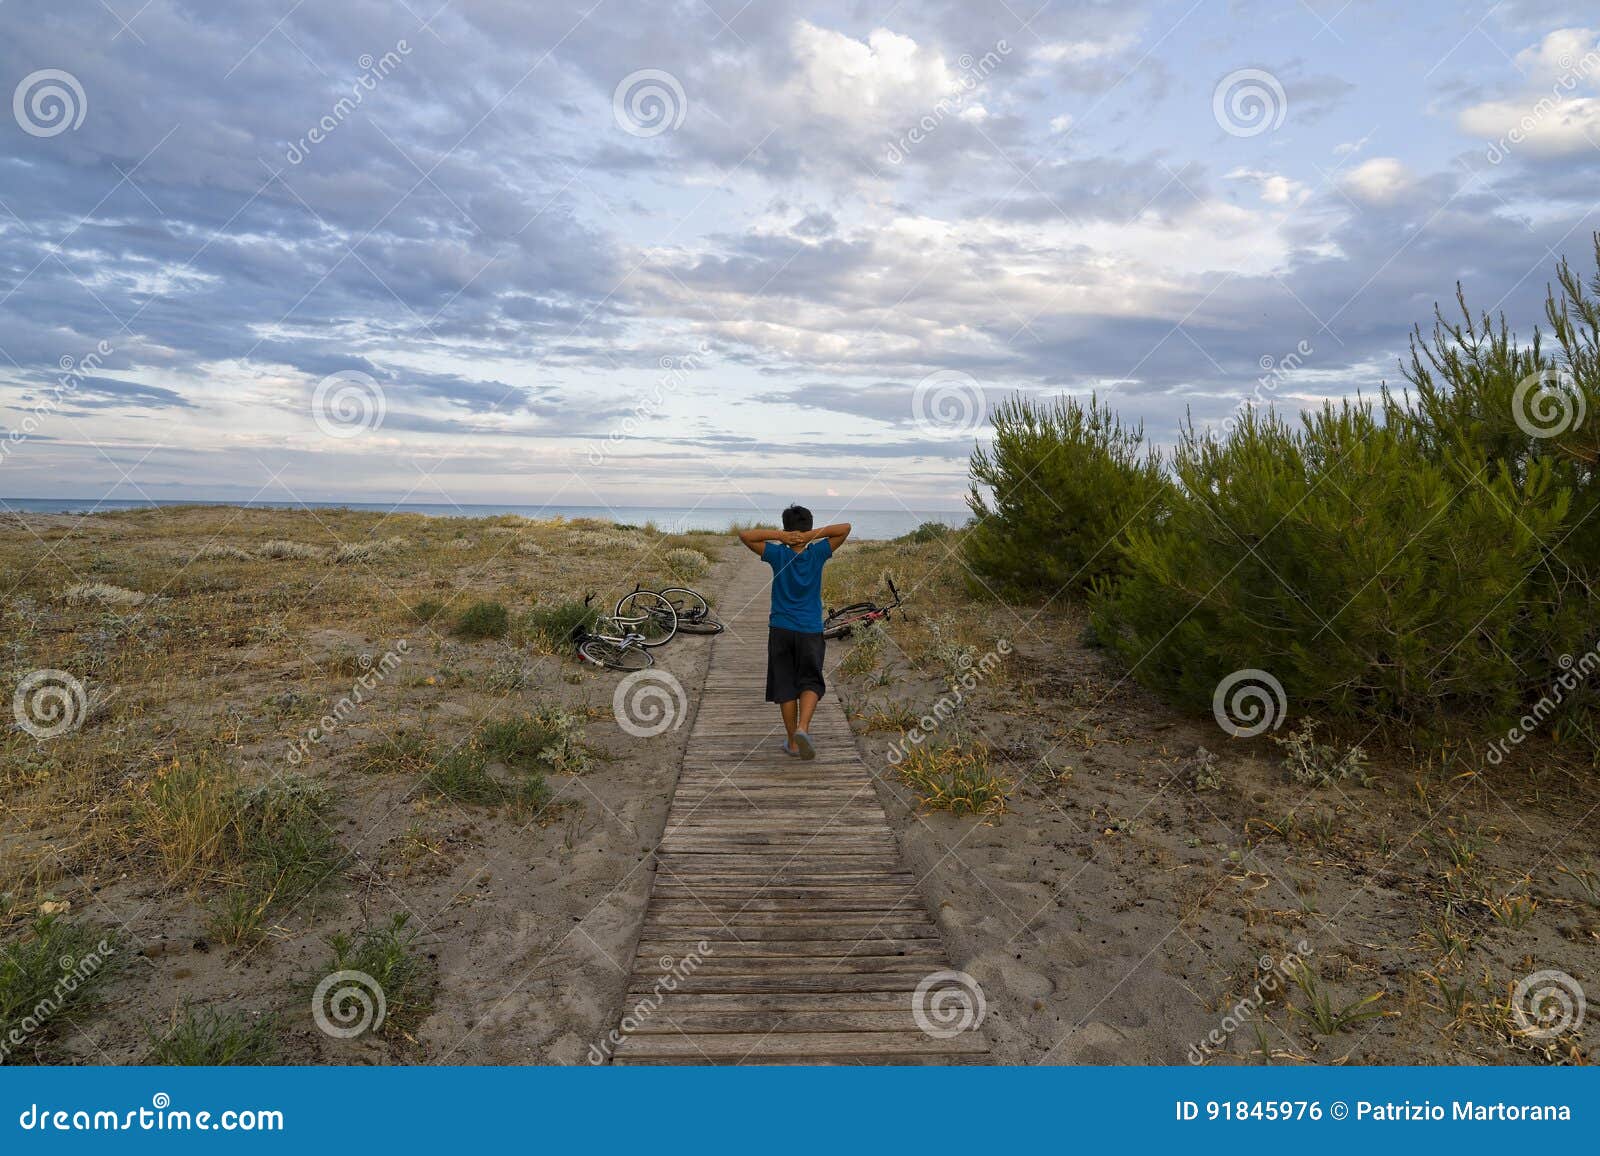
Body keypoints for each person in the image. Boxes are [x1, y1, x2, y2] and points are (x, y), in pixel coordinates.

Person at [738, 505, 851, 758]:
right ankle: (803, 728)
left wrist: (781, 536)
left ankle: (792, 742)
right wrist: (811, 536)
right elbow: (845, 528)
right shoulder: (818, 553)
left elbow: (745, 536)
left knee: (786, 685)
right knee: (811, 680)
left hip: (781, 628)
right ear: (809, 527)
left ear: (786, 527)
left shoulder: (778, 554)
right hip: (810, 628)